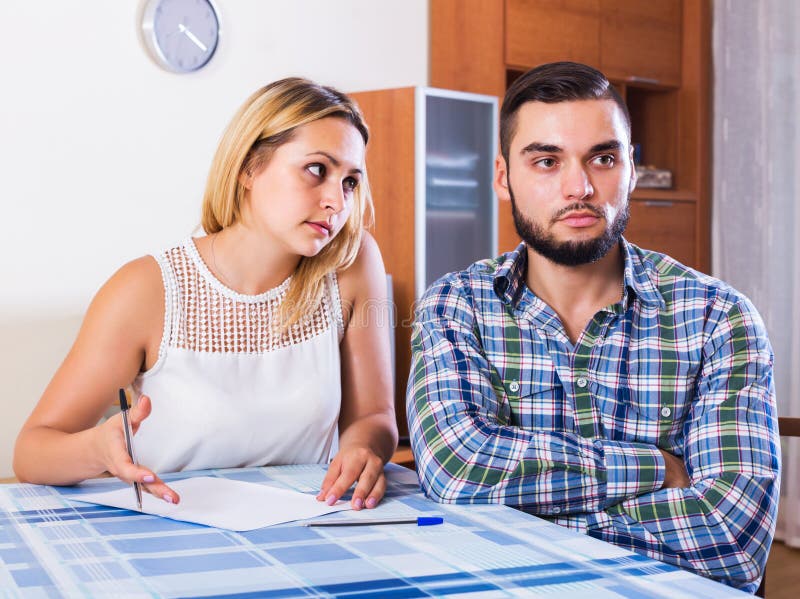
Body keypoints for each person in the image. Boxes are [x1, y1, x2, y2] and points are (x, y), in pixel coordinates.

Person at [406, 62, 779, 592]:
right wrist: (655, 469)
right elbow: (455, 470)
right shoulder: (454, 307)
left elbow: (732, 540)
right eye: (546, 161)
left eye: (603, 158)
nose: (578, 187)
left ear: (631, 169)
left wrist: (525, 527)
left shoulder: (719, 317)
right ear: (502, 177)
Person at [14, 77, 398, 511]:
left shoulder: (351, 260)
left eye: (350, 182)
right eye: (317, 170)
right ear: (249, 167)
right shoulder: (145, 290)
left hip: (306, 524)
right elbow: (32, 452)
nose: (336, 201)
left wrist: (365, 447)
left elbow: (373, 416)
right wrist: (97, 451)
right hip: (174, 531)